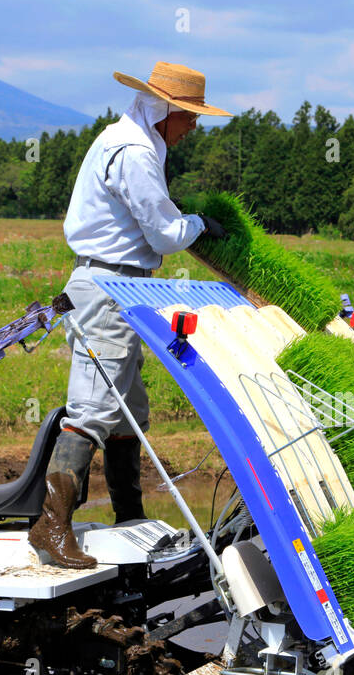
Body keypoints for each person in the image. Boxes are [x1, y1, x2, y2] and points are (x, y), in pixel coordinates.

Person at [29, 62, 231, 568]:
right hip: (107, 286)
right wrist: (200, 224)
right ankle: (51, 528)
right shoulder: (136, 152)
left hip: (124, 285)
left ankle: (131, 517)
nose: (192, 128)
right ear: (164, 110)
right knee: (94, 408)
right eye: (188, 117)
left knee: (126, 410)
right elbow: (164, 235)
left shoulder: (127, 140)